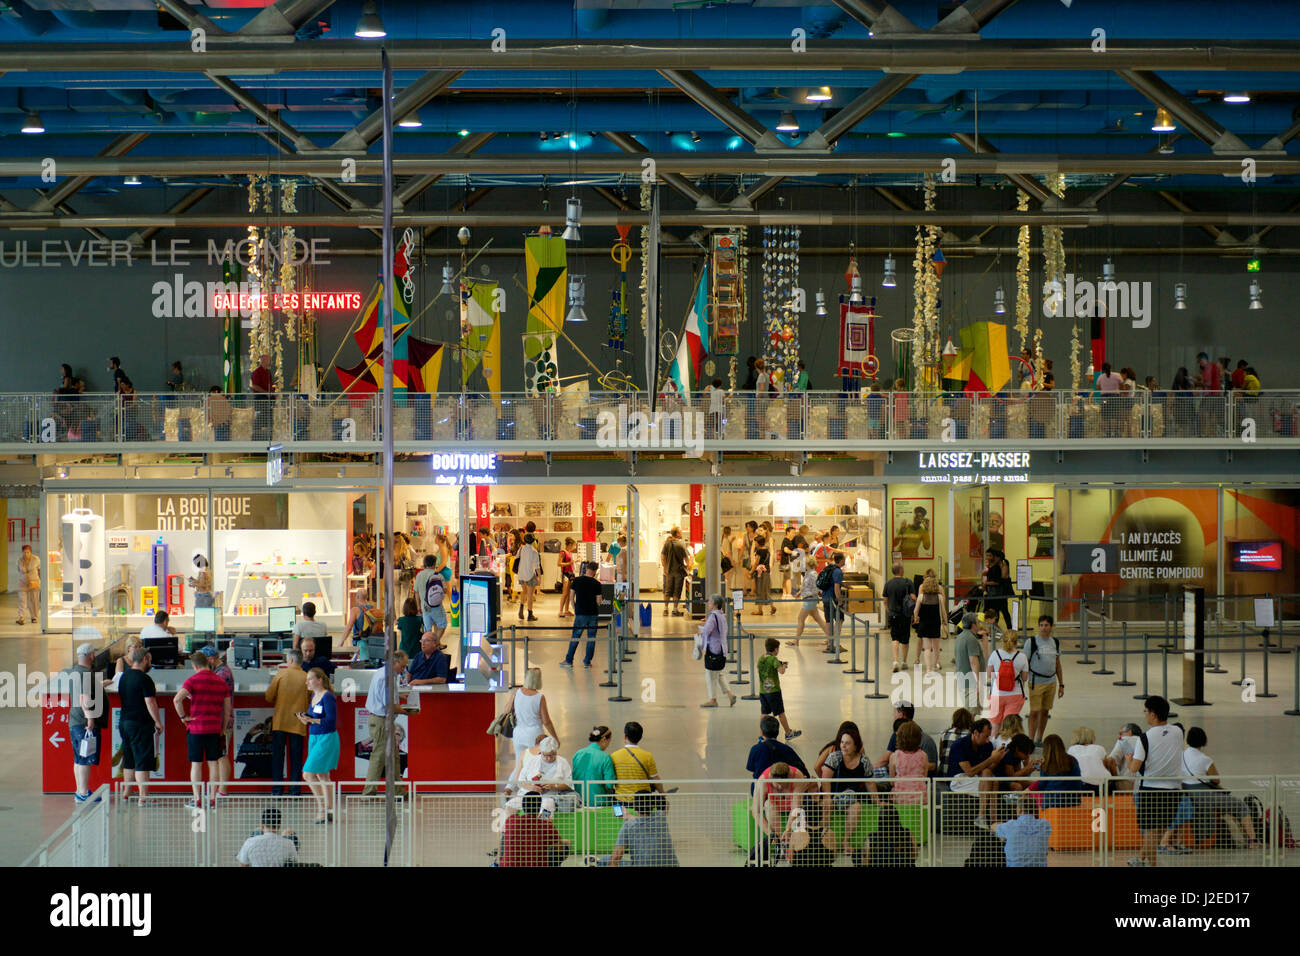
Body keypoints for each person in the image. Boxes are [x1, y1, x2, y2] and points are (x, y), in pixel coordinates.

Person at [1127, 695, 1185, 867]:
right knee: (1159, 830)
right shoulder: (1178, 731)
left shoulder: (1144, 738)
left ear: (1153, 714)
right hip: (1174, 791)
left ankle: (1151, 865)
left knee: (1151, 832)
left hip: (1150, 791)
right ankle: (1140, 860)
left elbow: (1133, 769)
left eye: (1145, 711)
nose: (1144, 714)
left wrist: (1129, 758)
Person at [1179, 726, 1259, 850]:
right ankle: (1252, 841)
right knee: (1240, 805)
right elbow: (1216, 779)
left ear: (1188, 740)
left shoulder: (1181, 756)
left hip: (1188, 795)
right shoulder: (1205, 759)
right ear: (1203, 741)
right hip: (1205, 797)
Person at [174, 650, 232, 808]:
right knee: (213, 764)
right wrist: (223, 728)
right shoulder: (221, 682)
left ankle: (197, 799)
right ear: (208, 663)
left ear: (194, 665)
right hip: (214, 729)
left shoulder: (192, 680)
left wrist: (183, 717)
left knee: (196, 764)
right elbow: (227, 710)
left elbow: (177, 699)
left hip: (196, 729)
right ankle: (213, 799)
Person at [117, 644, 164, 802]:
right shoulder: (145, 679)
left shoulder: (124, 676)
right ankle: (143, 797)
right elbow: (150, 702)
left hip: (124, 722)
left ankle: (127, 793)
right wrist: (158, 722)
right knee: (142, 759)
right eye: (149, 660)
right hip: (140, 724)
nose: (150, 664)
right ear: (144, 659)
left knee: (129, 759)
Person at [361, 650, 409, 796]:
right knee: (379, 756)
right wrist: (407, 711)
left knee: (394, 757)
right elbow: (388, 705)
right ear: (395, 663)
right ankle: (369, 793)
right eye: (402, 666)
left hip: (384, 721)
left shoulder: (383, 673)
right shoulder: (386, 678)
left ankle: (398, 790)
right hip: (381, 721)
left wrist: (399, 695)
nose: (404, 669)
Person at [817, 723, 870, 853]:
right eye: (842, 742)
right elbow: (819, 768)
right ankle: (823, 840)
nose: (844, 745)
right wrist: (827, 795)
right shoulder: (832, 752)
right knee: (827, 803)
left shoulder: (862, 757)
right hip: (833, 793)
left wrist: (876, 799)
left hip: (850, 797)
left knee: (855, 806)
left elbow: (870, 780)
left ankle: (845, 841)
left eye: (848, 743)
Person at [947, 717, 1005, 830]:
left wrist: (997, 759)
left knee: (993, 778)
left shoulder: (987, 745)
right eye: (986, 736)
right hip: (958, 779)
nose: (988, 740)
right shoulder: (959, 745)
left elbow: (987, 768)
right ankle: (986, 818)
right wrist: (991, 759)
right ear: (975, 733)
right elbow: (969, 772)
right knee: (990, 780)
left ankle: (993, 822)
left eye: (989, 736)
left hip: (978, 777)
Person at [266, 649, 309, 796]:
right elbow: (311, 698)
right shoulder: (306, 676)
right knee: (296, 759)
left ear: (290, 660)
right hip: (298, 722)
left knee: (278, 757)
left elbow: (269, 696)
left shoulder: (281, 674)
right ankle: (294, 791)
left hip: (280, 722)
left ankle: (277, 790)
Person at [751, 761, 813, 863]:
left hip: (791, 803)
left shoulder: (797, 776)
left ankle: (791, 845)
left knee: (801, 811)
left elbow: (796, 808)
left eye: (783, 785)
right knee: (768, 805)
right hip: (774, 804)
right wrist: (771, 834)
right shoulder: (763, 781)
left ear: (789, 777)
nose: (780, 788)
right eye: (777, 784)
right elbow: (756, 812)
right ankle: (780, 842)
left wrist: (788, 829)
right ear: (771, 777)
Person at [299, 667, 339, 824]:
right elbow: (315, 716)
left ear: (319, 680)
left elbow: (330, 720)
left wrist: (311, 720)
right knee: (323, 775)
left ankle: (322, 807)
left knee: (308, 774)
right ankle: (329, 809)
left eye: (310, 679)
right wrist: (305, 719)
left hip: (326, 738)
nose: (307, 682)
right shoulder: (314, 696)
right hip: (314, 737)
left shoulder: (328, 697)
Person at [66, 643, 103, 803]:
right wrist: (90, 718)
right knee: (85, 758)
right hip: (83, 723)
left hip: (75, 721)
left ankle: (80, 790)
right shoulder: (86, 674)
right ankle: (82, 793)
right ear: (91, 656)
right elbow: (85, 698)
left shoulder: (76, 672)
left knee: (78, 758)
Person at [505, 736, 578, 812]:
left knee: (547, 806)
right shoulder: (532, 760)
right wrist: (531, 787)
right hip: (527, 795)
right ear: (541, 752)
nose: (548, 758)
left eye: (551, 756)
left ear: (556, 752)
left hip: (550, 798)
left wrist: (554, 786)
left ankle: (542, 823)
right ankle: (507, 823)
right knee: (510, 805)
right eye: (545, 755)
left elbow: (569, 784)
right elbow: (520, 781)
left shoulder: (563, 762)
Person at [605, 791, 679, 866]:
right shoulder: (660, 817)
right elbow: (666, 804)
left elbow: (615, 857)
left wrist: (627, 816)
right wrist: (628, 816)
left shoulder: (628, 826)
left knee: (605, 859)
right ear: (652, 806)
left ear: (634, 808)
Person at [499, 792, 569, 867]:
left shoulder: (511, 820)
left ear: (523, 806)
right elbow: (560, 848)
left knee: (504, 836)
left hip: (510, 864)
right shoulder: (547, 826)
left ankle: (499, 863)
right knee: (565, 846)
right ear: (539, 808)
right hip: (536, 863)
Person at [1025, 614, 1064, 746]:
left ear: (1051, 627)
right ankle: (1030, 740)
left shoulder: (1055, 642)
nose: (1043, 628)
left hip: (1051, 682)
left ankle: (1039, 738)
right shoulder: (1031, 642)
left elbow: (1057, 664)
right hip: (1036, 682)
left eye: (1046, 625)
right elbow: (1025, 663)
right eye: (1041, 625)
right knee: (1034, 711)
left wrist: (1061, 684)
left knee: (1045, 711)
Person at [510, 667, 561, 761]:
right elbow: (546, 722)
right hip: (534, 736)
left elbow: (511, 710)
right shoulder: (539, 697)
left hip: (518, 733)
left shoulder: (517, 692)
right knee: (535, 766)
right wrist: (555, 738)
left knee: (519, 766)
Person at [754, 637, 799, 738]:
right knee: (780, 713)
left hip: (763, 690)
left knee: (764, 713)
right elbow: (781, 671)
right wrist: (783, 666)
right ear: (775, 649)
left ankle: (761, 736)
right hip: (773, 691)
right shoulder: (773, 659)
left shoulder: (761, 658)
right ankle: (788, 733)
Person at [698, 594, 737, 708]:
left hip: (714, 649)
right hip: (722, 649)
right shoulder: (722, 616)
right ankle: (730, 694)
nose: (708, 603)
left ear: (715, 604)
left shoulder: (713, 617)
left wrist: (701, 632)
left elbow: (706, 632)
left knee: (710, 674)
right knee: (718, 673)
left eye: (710, 602)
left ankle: (713, 699)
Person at [745, 714, 810, 783]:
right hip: (780, 788)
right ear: (778, 732)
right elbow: (802, 768)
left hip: (761, 787)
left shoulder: (755, 749)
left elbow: (752, 769)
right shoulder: (787, 749)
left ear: (762, 733)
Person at [986, 630, 1027, 736]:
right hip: (1015, 694)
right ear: (1016, 641)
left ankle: (994, 749)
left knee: (995, 726)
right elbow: (1025, 678)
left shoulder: (994, 654)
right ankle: (1007, 750)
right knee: (1009, 727)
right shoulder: (1022, 657)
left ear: (1002, 640)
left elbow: (989, 674)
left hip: (996, 694)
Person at [610, 721, 665, 801]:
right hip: (642, 803)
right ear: (640, 737)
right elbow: (655, 779)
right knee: (665, 804)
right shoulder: (647, 756)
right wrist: (662, 793)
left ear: (625, 736)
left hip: (621, 801)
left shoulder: (614, 755)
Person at [562, 562, 602, 669]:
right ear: (594, 571)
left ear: (586, 569)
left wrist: (575, 608)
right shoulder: (597, 583)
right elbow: (599, 600)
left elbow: (571, 596)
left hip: (580, 613)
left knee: (575, 637)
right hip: (593, 614)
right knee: (591, 638)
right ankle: (587, 661)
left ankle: (569, 660)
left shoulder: (577, 580)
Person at [789, 551, 832, 646]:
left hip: (810, 600)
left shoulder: (813, 574)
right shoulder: (808, 573)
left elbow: (817, 587)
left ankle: (796, 640)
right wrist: (800, 593)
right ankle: (830, 638)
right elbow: (806, 586)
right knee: (819, 619)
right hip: (809, 599)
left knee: (800, 618)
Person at [996, 794, 1051, 867]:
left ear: (1019, 810)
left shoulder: (1010, 825)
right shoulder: (1045, 824)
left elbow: (994, 827)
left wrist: (1000, 824)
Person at [857, 803, 918, 867]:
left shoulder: (871, 838)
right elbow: (913, 857)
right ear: (897, 819)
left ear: (880, 820)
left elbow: (865, 862)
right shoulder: (908, 834)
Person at [889, 720, 933, 804]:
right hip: (920, 799)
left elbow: (892, 782)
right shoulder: (924, 756)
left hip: (900, 798)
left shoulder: (894, 756)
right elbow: (924, 777)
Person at [572, 725, 617, 806]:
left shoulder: (577, 754)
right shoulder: (605, 757)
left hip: (579, 802)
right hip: (599, 803)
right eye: (609, 740)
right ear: (604, 739)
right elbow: (609, 784)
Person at [913, 568, 947, 673]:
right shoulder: (939, 597)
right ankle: (935, 666)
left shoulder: (921, 597)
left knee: (927, 648)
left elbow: (915, 611)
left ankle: (928, 669)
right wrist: (945, 621)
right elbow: (943, 611)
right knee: (936, 648)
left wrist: (916, 618)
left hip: (924, 623)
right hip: (935, 623)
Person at [1037, 734, 1084, 809]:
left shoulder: (1045, 765)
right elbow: (1077, 782)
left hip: (1051, 803)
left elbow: (1041, 786)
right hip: (1073, 801)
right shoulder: (1072, 760)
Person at [883, 562, 915, 672]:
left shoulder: (888, 583)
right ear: (900, 570)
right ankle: (904, 662)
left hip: (893, 614)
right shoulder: (908, 582)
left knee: (895, 637)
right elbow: (913, 598)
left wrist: (889, 611)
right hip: (905, 615)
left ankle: (895, 660)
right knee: (905, 639)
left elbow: (885, 600)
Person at [952, 613, 985, 712]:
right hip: (971, 681)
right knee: (971, 711)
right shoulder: (971, 639)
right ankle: (968, 727)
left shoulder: (960, 636)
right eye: (978, 622)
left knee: (971, 709)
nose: (980, 624)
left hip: (963, 678)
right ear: (973, 625)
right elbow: (973, 661)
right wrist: (978, 681)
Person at [1067, 726, 1111, 793]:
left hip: (1083, 786)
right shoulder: (1099, 748)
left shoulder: (1072, 749)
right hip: (1104, 786)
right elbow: (1105, 766)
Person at [819, 552, 847, 652]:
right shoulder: (838, 572)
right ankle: (835, 644)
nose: (845, 561)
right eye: (844, 559)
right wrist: (839, 601)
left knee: (828, 621)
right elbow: (836, 588)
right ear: (841, 560)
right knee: (840, 620)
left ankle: (830, 644)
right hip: (833, 599)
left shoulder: (830, 568)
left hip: (825, 598)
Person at [1107, 723, 1144, 790]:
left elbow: (1110, 760)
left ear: (1129, 732)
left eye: (1121, 733)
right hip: (1143, 783)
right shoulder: (1145, 740)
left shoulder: (1123, 740)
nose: (1120, 735)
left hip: (1127, 782)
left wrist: (1115, 778)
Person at [413, 554, 443, 636]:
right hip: (437, 605)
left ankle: (429, 643)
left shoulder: (419, 575)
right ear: (434, 564)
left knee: (427, 628)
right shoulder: (438, 575)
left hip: (424, 606)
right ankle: (436, 642)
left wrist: (418, 606)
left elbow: (416, 592)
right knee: (441, 624)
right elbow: (445, 590)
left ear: (424, 563)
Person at [981, 548, 1012, 629]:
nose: (988, 557)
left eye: (990, 556)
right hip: (994, 593)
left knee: (1003, 612)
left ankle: (1006, 629)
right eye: (987, 555)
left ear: (997, 557)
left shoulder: (1002, 565)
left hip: (999, 593)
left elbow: (1001, 579)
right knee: (997, 612)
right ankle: (996, 630)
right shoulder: (993, 566)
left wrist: (986, 583)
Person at [661, 527, 689, 616]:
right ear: (676, 534)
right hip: (678, 571)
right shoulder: (681, 544)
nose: (681, 533)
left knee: (667, 590)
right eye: (680, 532)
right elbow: (686, 558)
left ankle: (665, 609)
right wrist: (688, 567)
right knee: (677, 591)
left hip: (668, 571)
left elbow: (663, 557)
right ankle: (675, 610)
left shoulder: (667, 544)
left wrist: (665, 568)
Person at [513, 533, 541, 623]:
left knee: (523, 592)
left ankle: (521, 609)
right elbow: (537, 565)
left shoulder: (521, 549)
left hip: (521, 574)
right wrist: (539, 576)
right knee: (529, 595)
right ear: (533, 541)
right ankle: (530, 614)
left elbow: (516, 558)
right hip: (530, 574)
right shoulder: (534, 551)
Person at [938, 708, 975, 774]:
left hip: (943, 772)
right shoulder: (970, 735)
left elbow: (941, 756)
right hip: (960, 776)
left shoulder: (944, 733)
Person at [749, 533, 775, 616]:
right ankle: (772, 606)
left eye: (755, 542)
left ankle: (760, 610)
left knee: (760, 590)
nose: (755, 544)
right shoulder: (767, 550)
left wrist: (750, 572)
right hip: (766, 572)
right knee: (766, 590)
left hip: (760, 573)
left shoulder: (759, 551)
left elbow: (756, 563)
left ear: (758, 543)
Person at [15, 544, 40, 625]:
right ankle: (21, 617)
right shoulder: (20, 560)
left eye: (28, 552)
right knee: (22, 600)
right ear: (22, 552)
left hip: (34, 582)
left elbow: (36, 569)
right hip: (23, 583)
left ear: (30, 552)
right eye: (24, 552)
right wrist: (24, 571)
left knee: (34, 600)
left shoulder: (35, 559)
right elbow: (21, 570)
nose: (26, 554)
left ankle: (34, 617)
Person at [557, 538, 576, 618]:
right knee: (565, 593)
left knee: (569, 594)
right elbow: (559, 563)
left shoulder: (570, 553)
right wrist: (569, 563)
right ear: (570, 545)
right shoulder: (563, 552)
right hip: (565, 574)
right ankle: (561, 611)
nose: (574, 547)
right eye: (573, 545)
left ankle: (566, 610)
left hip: (571, 574)